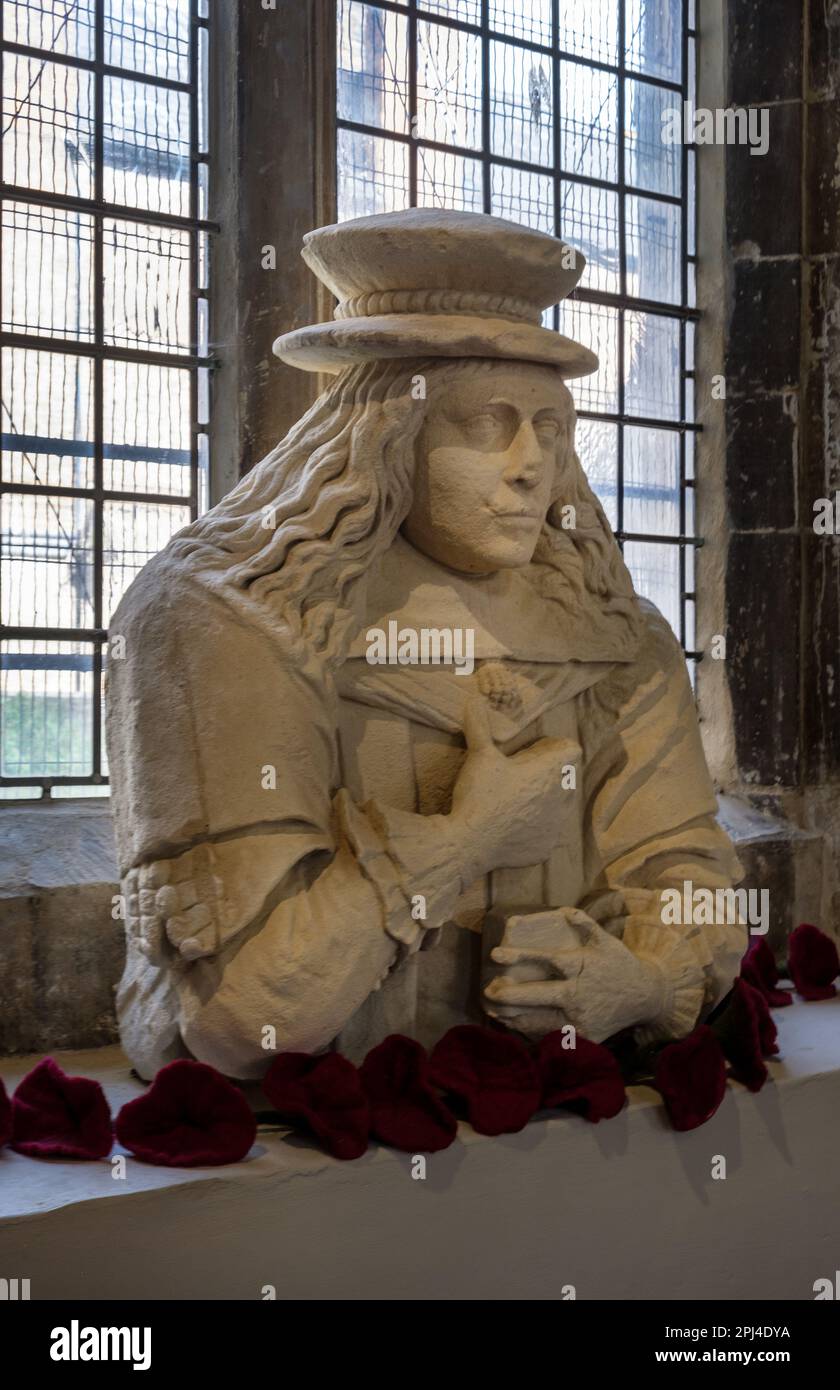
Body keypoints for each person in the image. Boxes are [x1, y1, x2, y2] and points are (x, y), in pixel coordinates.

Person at [106, 210, 745, 1081]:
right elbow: (244, 1016)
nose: (530, 466)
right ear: (386, 435)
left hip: (547, 1137)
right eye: (488, 423)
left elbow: (689, 868)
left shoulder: (615, 634)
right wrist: (470, 835)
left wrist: (644, 982)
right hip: (320, 1140)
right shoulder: (228, 619)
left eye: (550, 430)